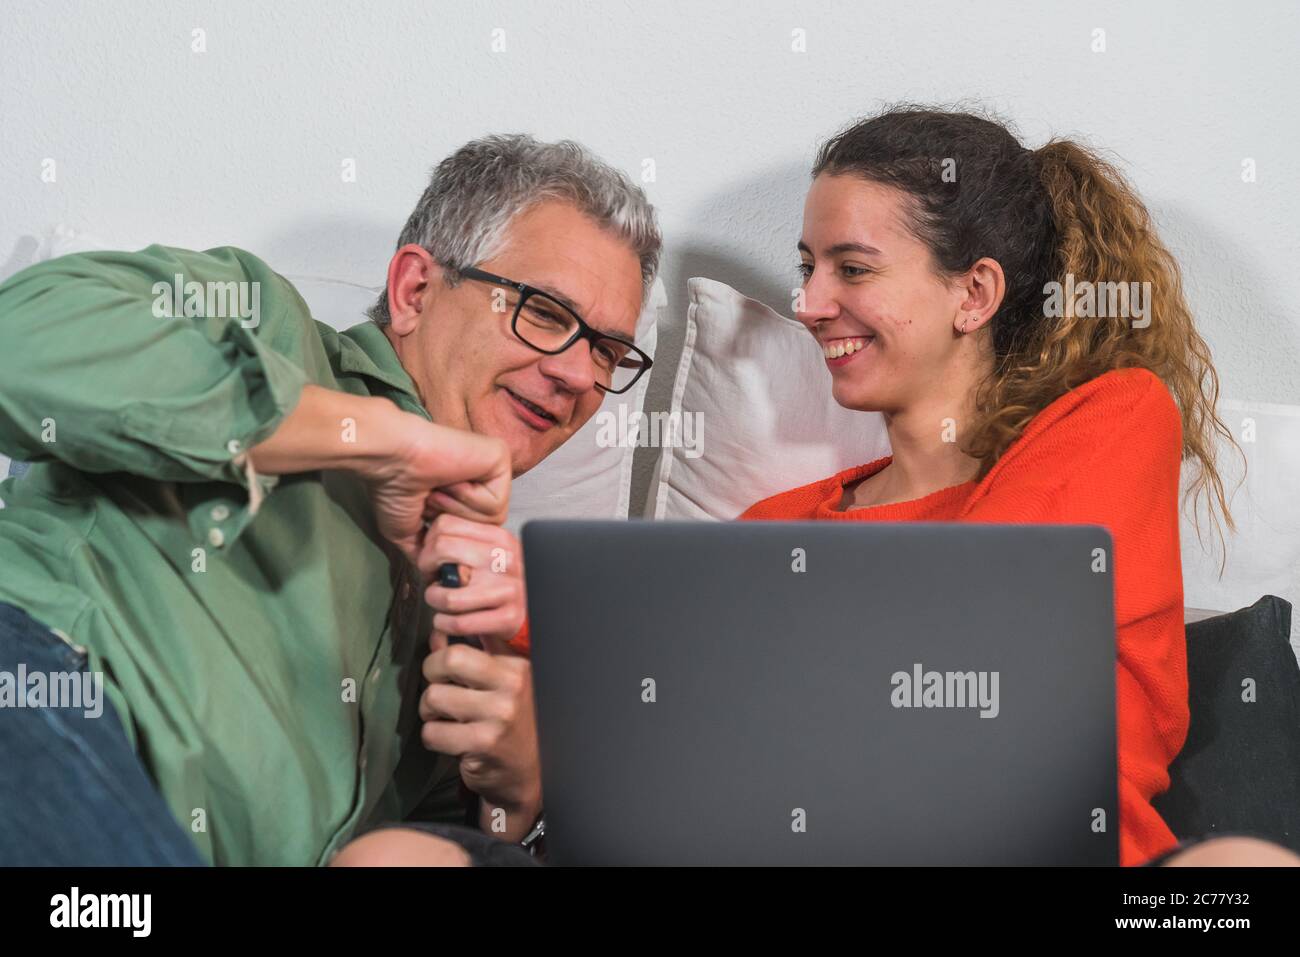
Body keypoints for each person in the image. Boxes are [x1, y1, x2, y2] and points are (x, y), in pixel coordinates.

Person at [391, 109, 1298, 868]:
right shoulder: (777, 525)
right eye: (807, 266)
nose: (810, 302)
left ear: (974, 292)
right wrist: (500, 607)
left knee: (1241, 870)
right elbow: (601, 671)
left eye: (852, 268)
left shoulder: (1112, 418)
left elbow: (980, 639)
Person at [0, 133, 660, 866]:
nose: (576, 373)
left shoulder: (471, 604)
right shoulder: (270, 327)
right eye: (543, 311)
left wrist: (517, 785)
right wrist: (377, 438)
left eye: (607, 351)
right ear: (414, 290)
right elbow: (23, 336)